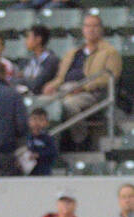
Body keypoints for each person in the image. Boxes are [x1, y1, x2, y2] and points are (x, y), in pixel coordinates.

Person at [37, 15, 122, 149]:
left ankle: (80, 140)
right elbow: (60, 77)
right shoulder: (73, 53)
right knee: (40, 102)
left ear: (101, 29)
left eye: (95, 26)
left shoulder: (110, 52)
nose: (91, 29)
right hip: (65, 90)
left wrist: (84, 87)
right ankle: (43, 143)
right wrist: (51, 85)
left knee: (68, 105)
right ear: (83, 29)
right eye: (87, 26)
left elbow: (110, 76)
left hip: (91, 93)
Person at [15, 25, 59, 97]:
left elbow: (36, 84)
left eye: (28, 37)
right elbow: (15, 79)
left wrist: (23, 80)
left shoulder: (51, 61)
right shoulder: (26, 60)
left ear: (38, 39)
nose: (26, 41)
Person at [20, 107, 58, 177]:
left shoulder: (48, 138)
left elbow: (53, 152)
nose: (37, 123)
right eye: (34, 119)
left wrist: (38, 155)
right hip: (26, 172)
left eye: (41, 120)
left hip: (43, 172)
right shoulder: (24, 138)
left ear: (46, 123)